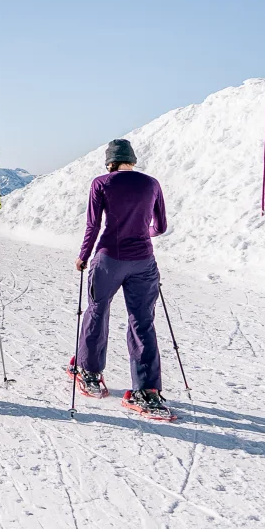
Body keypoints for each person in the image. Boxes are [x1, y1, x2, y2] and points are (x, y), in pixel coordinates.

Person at [72, 138, 172, 415]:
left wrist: (83, 256)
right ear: (133, 160)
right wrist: (141, 232)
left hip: (109, 259)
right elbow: (160, 226)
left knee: (97, 310)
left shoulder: (101, 183)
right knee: (142, 321)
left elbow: (93, 225)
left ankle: (90, 372)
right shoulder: (151, 183)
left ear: (110, 162)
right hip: (143, 262)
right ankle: (147, 389)